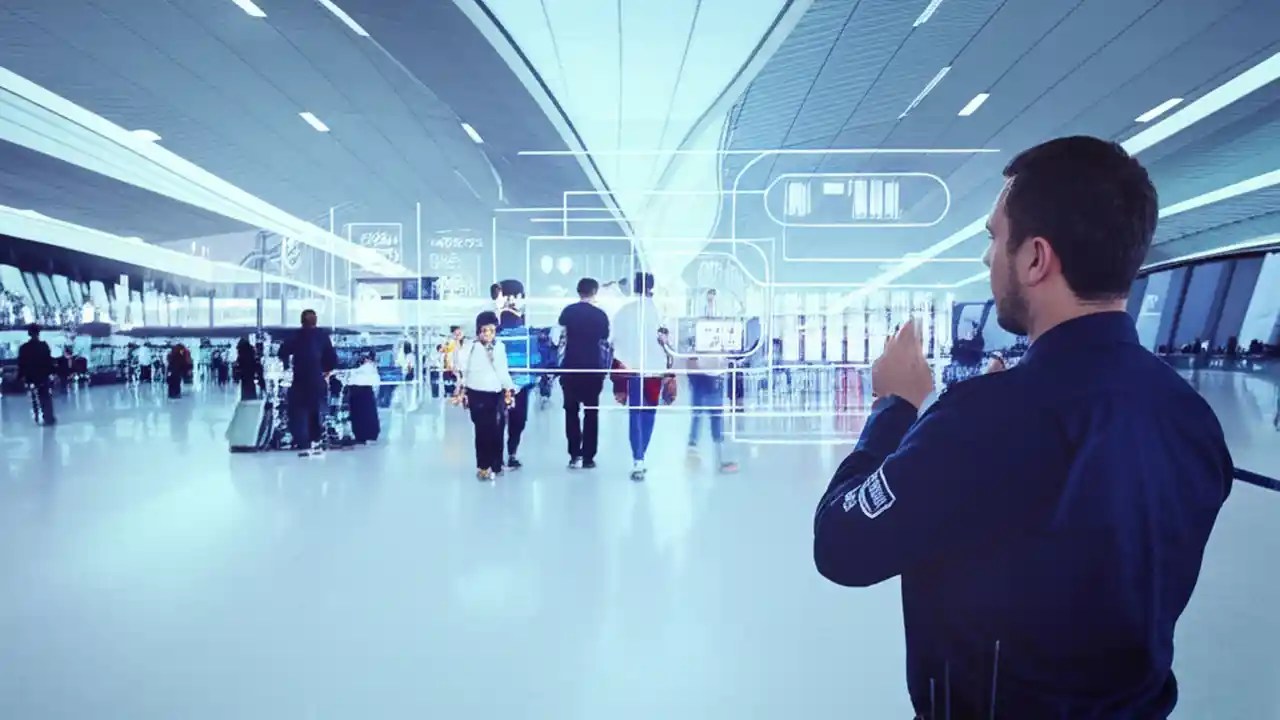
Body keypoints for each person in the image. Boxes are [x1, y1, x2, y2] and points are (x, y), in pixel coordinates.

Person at [812, 136, 1232, 719]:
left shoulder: (985, 419)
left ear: (1035, 258)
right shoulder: (1192, 420)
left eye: (993, 238)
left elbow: (842, 546)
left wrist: (896, 408)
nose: (987, 259)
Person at [610, 271, 675, 481]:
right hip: (655, 372)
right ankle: (642, 455)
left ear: (634, 286)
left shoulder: (623, 312)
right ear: (652, 286)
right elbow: (668, 345)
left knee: (635, 414)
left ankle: (638, 458)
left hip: (631, 370)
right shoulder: (661, 312)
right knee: (649, 414)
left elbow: (613, 342)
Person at [457, 311, 516, 481]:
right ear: (478, 331)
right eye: (484, 330)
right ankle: (483, 466)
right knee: (482, 430)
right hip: (476, 393)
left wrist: (509, 388)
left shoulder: (500, 347)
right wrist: (462, 390)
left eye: (491, 330)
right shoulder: (471, 347)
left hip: (496, 393)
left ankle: (496, 465)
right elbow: (462, 368)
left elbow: (503, 370)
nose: (488, 334)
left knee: (498, 429)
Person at [558, 277, 610, 469]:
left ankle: (574, 455)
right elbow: (604, 338)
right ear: (595, 292)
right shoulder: (600, 315)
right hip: (592, 368)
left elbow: (560, 337)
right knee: (591, 412)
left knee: (571, 412)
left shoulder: (568, 312)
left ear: (578, 291)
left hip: (571, 367)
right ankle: (588, 456)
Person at [279, 309, 337, 457]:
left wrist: (287, 365)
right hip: (316, 380)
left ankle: (302, 443)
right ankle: (315, 442)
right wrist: (325, 370)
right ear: (315, 321)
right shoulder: (323, 336)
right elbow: (331, 359)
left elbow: (282, 352)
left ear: (301, 321)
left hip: (299, 379)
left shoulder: (295, 335)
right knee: (315, 411)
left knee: (297, 412)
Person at [493, 279, 537, 468]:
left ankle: (503, 455)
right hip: (516, 381)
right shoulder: (514, 323)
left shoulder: (502, 322)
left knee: (501, 419)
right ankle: (510, 453)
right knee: (515, 420)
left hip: (503, 381)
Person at [17, 324, 56, 425]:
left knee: (34, 397)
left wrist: (20, 377)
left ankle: (37, 416)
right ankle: (48, 417)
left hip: (31, 377)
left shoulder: (24, 348)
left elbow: (21, 364)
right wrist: (52, 373)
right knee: (46, 397)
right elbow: (49, 361)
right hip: (43, 376)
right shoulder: (43, 346)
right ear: (38, 333)